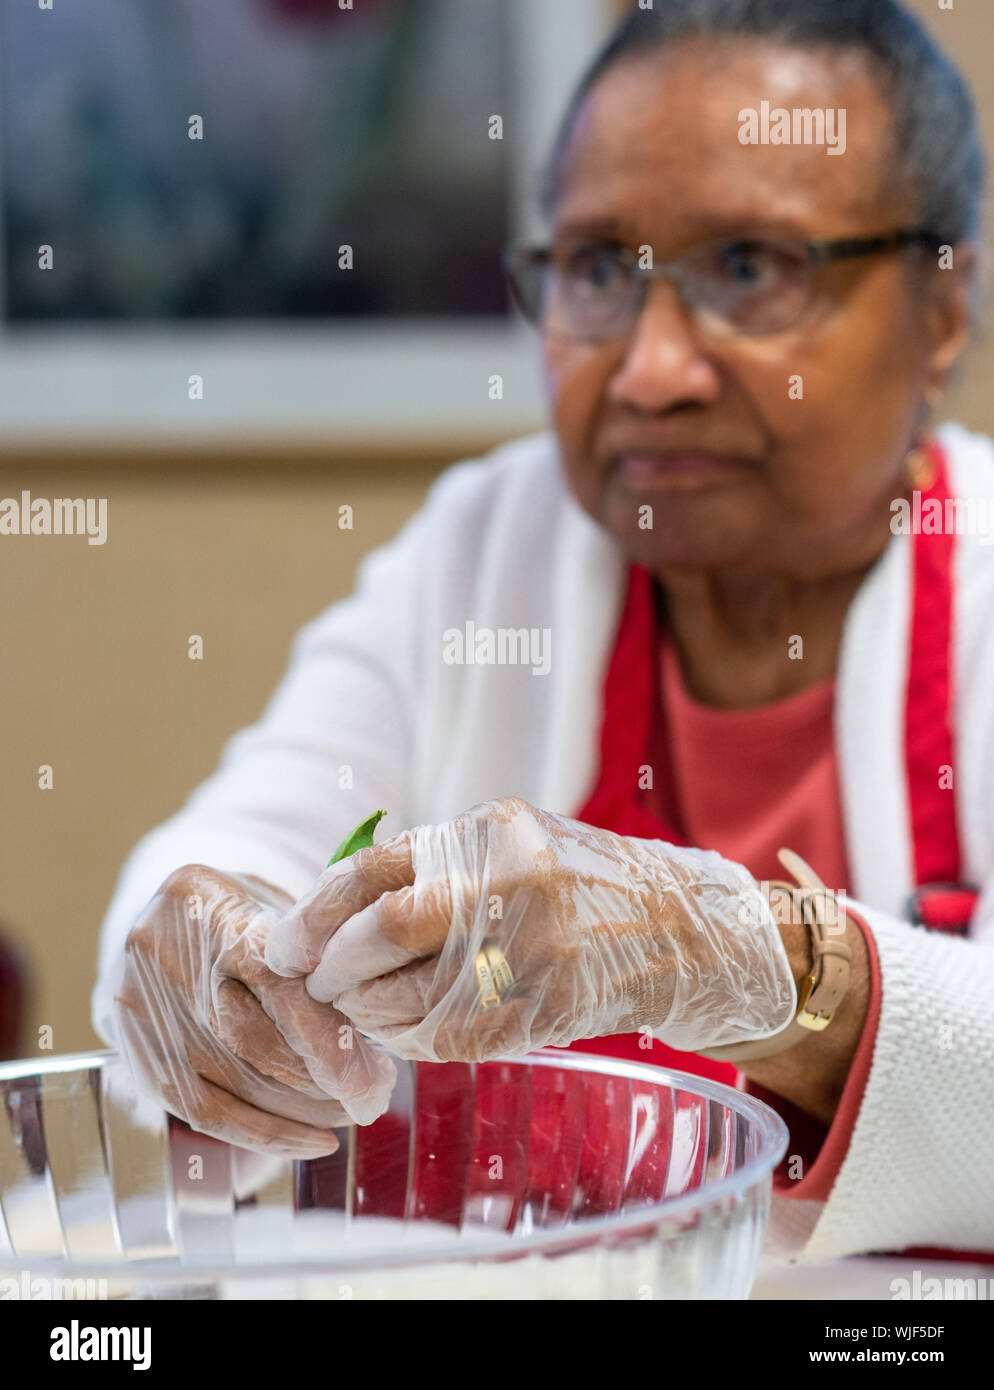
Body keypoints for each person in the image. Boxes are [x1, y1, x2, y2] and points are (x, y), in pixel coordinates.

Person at [94, 0, 994, 1263]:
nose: (649, 368)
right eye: (596, 272)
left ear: (940, 308)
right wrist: (205, 969)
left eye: (748, 268)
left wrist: (754, 964)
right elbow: (234, 844)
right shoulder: (487, 547)